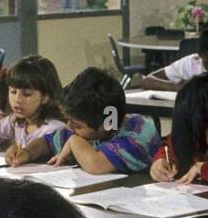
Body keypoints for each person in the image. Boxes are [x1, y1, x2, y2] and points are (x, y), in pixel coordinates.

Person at [15, 67, 160, 173]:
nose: (69, 127)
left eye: (76, 125)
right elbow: (47, 142)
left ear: (106, 124)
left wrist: (73, 142)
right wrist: (26, 153)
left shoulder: (137, 134)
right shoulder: (87, 128)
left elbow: (96, 165)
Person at [0, 55, 66, 165]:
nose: (17, 100)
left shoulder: (55, 128)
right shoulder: (14, 120)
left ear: (45, 97)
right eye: (13, 92)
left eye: (26, 94)